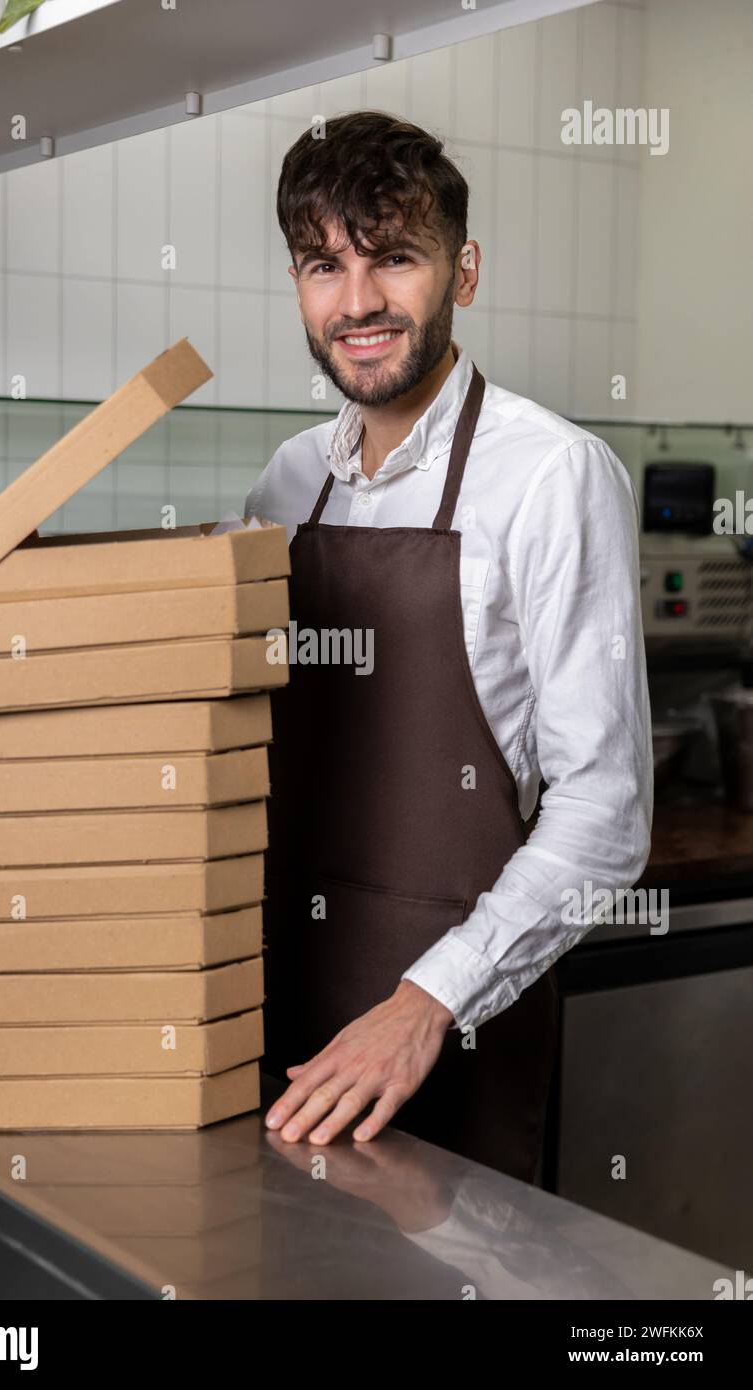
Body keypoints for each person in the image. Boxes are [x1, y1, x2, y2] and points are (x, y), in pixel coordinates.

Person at [248, 111, 652, 1183]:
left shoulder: (551, 475)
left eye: (393, 257)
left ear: (460, 271)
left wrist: (425, 1003)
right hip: (278, 1015)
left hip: (454, 1033)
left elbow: (605, 813)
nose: (357, 301)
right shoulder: (285, 483)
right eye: (322, 264)